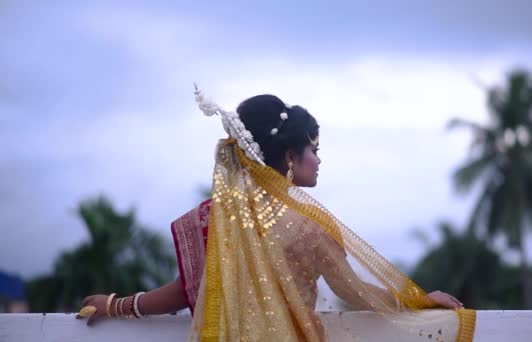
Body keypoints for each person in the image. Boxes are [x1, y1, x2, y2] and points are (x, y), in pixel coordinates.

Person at [77, 88, 476, 341]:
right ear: (288, 156)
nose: (318, 161)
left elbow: (185, 292)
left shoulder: (215, 217)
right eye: (313, 150)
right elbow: (353, 292)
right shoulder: (310, 226)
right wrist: (419, 299)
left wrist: (117, 304)